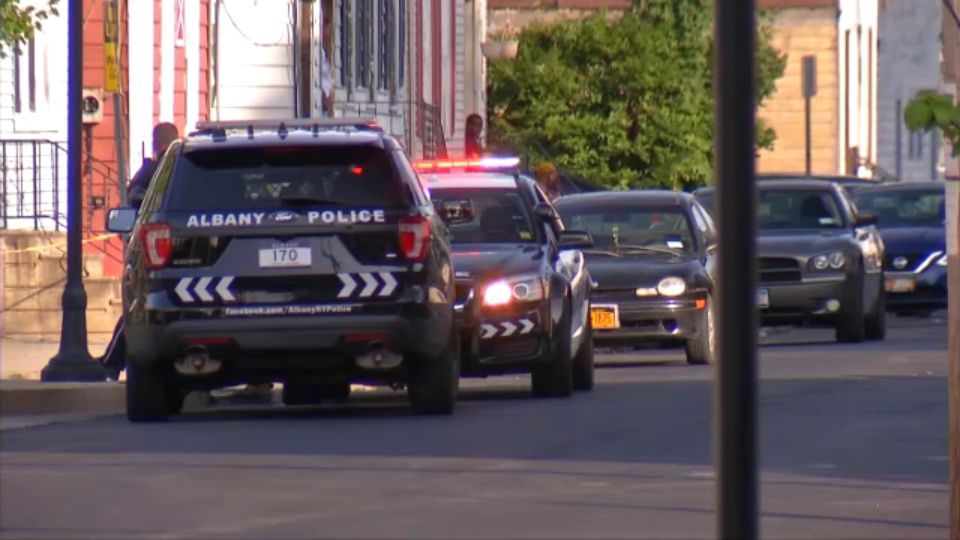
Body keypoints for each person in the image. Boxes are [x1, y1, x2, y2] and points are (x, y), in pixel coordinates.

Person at [101, 123, 181, 380]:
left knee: (138, 311)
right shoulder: (178, 169)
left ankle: (110, 364)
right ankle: (110, 362)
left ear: (156, 144)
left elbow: (132, 209)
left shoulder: (149, 175)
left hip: (154, 256)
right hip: (188, 257)